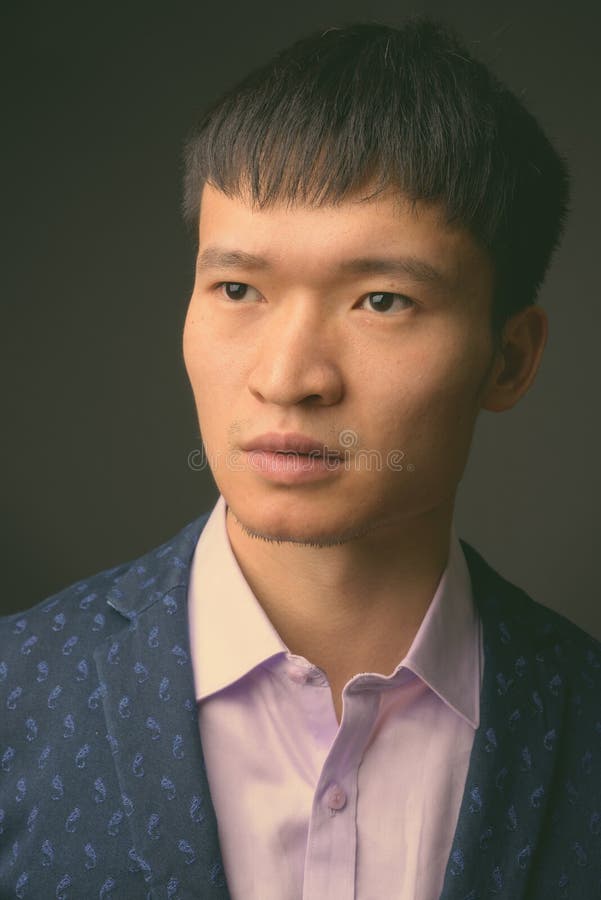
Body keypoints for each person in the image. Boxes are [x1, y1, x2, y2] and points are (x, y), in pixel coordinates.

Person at [1, 16, 599, 900]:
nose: (288, 379)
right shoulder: (17, 696)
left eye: (382, 301)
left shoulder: (580, 714)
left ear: (507, 359)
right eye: (237, 288)